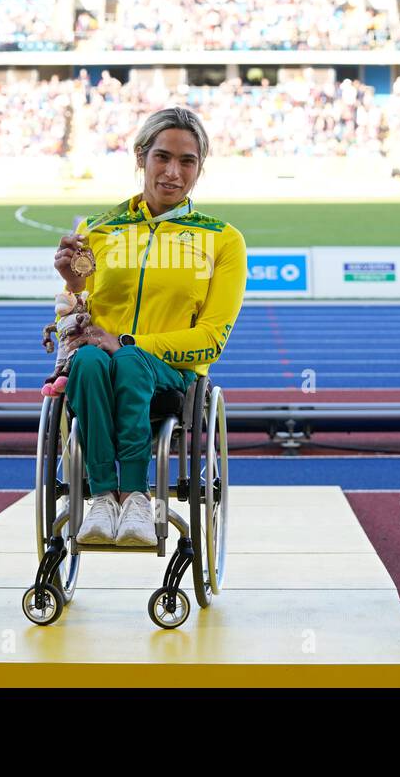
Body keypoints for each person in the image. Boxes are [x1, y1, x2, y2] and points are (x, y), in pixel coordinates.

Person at [52, 107, 246, 546]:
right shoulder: (97, 230)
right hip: (96, 371)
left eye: (187, 161)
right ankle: (102, 496)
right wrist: (74, 285)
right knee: (84, 362)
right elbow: (72, 319)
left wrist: (128, 343)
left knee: (133, 361)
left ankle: (136, 496)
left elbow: (212, 339)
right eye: (162, 157)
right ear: (141, 157)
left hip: (168, 374)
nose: (173, 172)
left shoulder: (223, 239)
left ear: (200, 167)